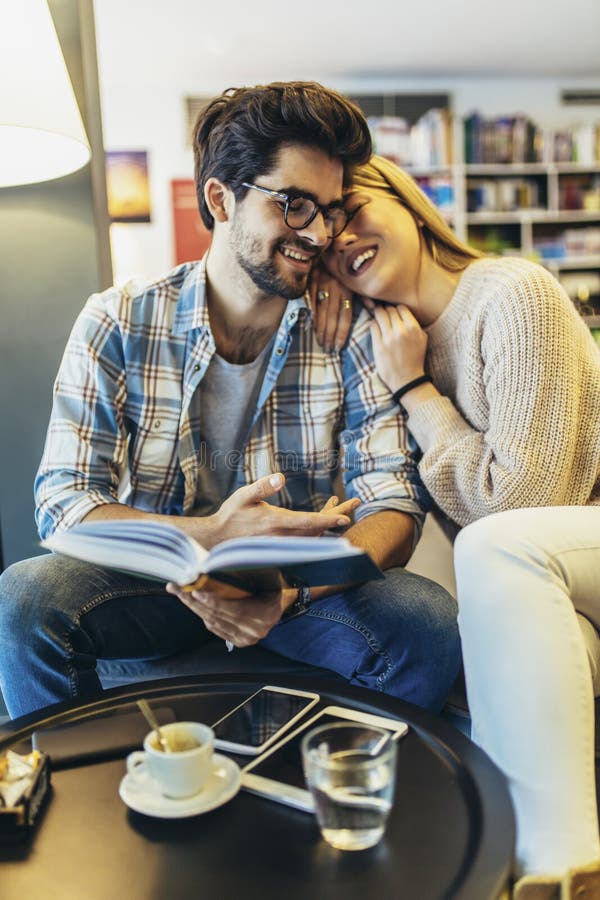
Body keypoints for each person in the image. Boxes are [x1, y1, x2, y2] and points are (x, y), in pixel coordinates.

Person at [0, 85, 460, 722]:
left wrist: (289, 591)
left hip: (297, 595)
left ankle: (333, 790)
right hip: (153, 585)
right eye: (295, 205)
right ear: (220, 198)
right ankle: (68, 804)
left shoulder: (349, 330)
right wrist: (209, 537)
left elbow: (394, 505)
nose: (320, 233)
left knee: (427, 622)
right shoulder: (120, 318)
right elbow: (63, 502)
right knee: (24, 599)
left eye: (329, 210)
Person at [311, 153, 600, 898]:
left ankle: (554, 867)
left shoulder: (512, 293)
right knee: (467, 651)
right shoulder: (389, 348)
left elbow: (528, 504)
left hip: (574, 543)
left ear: (405, 198)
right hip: (556, 584)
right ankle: (504, 865)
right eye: (322, 227)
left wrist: (415, 389)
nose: (340, 235)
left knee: (495, 547)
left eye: (353, 206)